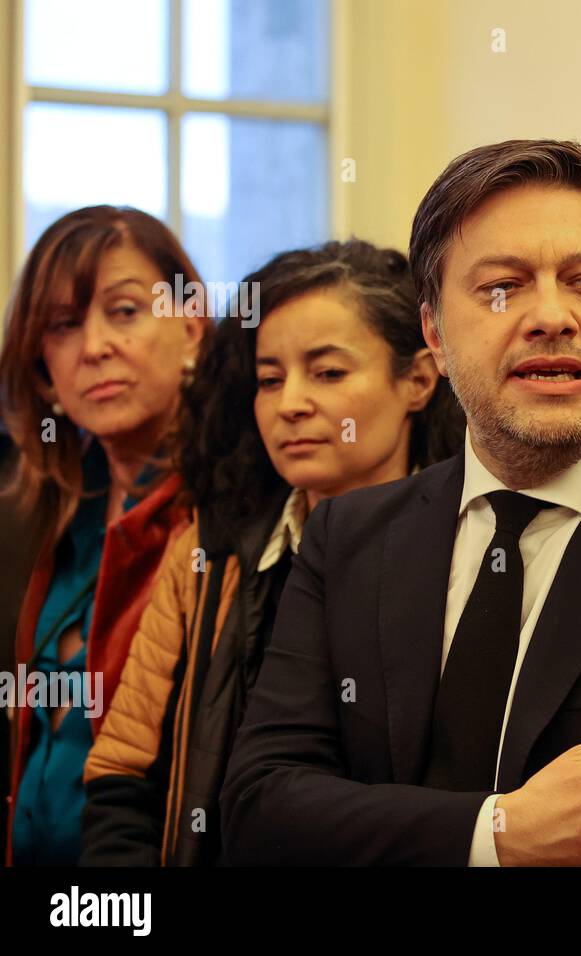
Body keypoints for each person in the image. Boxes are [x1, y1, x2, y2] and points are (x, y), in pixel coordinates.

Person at [221, 139, 581, 866]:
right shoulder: (348, 537)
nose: (552, 316)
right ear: (434, 334)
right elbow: (262, 809)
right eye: (503, 287)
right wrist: (501, 834)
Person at [80, 240, 454, 865]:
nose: (290, 404)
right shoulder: (208, 554)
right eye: (269, 380)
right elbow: (123, 773)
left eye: (329, 373)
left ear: (417, 379)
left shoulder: (470, 551)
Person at [0, 206, 208, 865]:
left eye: (123, 312)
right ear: (41, 360)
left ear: (193, 324)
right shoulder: (35, 507)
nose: (93, 347)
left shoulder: (236, 508)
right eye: (63, 324)